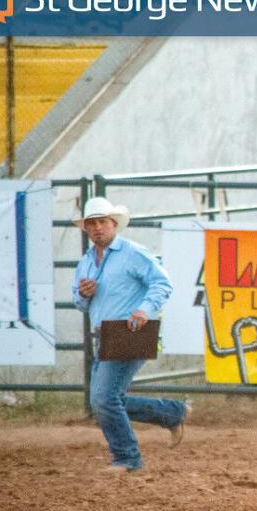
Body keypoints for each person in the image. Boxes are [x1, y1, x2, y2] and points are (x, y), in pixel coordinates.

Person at [72, 197, 189, 472]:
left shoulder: (133, 253)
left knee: (103, 399)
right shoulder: (86, 262)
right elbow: (79, 302)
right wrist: (83, 295)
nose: (98, 228)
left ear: (114, 224)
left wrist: (145, 309)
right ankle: (172, 413)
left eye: (102, 222)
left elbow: (162, 283)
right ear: (86, 228)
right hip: (105, 336)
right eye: (92, 223)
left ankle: (127, 458)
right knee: (107, 399)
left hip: (130, 331)